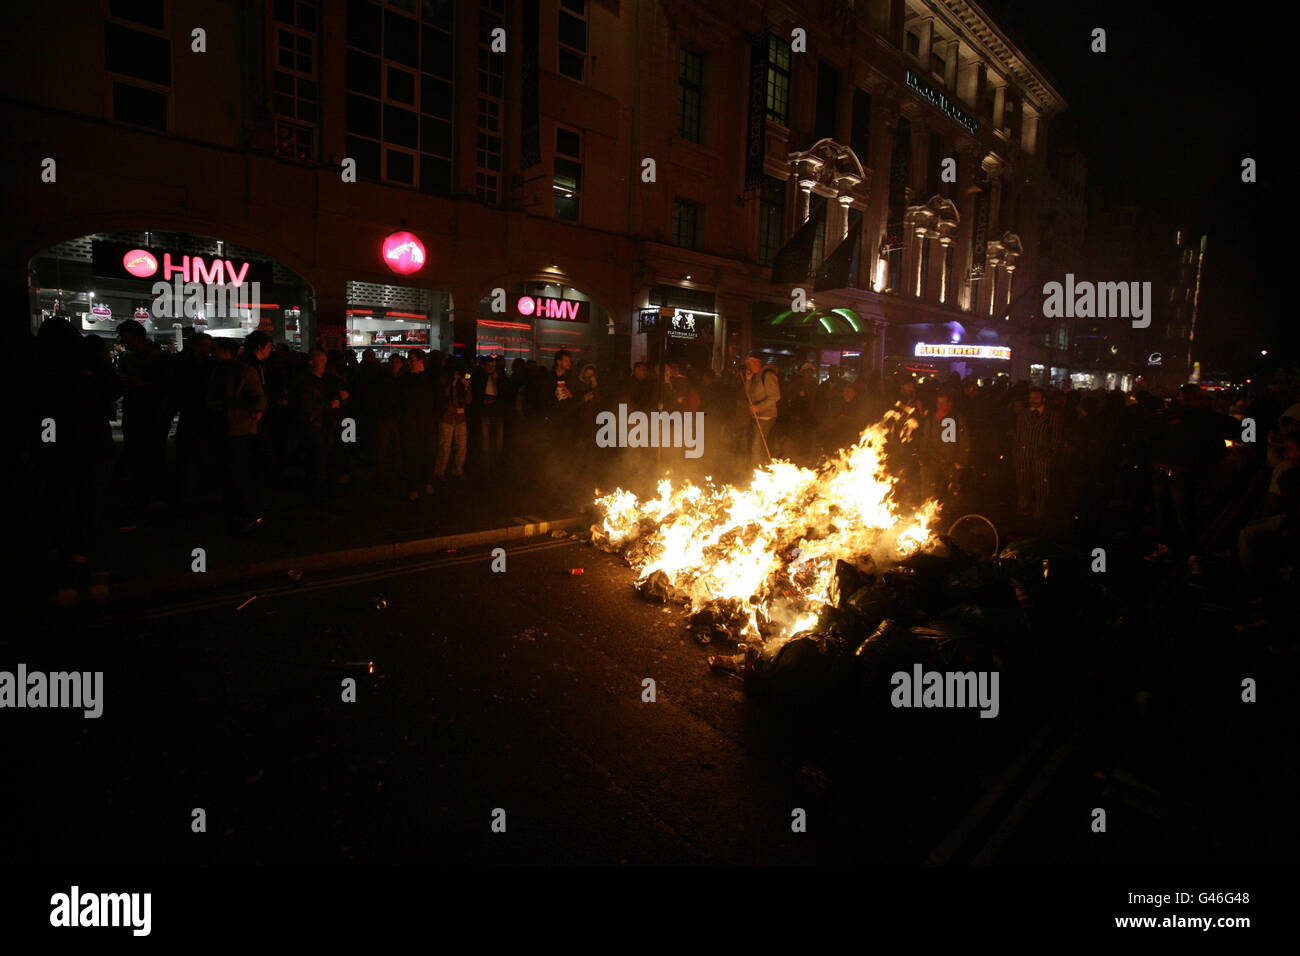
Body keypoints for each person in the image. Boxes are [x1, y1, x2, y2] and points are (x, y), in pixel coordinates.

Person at [116, 319, 173, 511]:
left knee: (153, 453)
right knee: (138, 453)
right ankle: (145, 493)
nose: (123, 341)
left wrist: (142, 384)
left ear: (137, 337)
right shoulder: (128, 358)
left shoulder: (158, 358)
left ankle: (157, 494)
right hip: (134, 411)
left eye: (125, 337)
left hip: (153, 413)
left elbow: (168, 386)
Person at [223, 330, 271, 532]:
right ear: (260, 347)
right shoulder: (247, 368)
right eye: (268, 346)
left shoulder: (251, 366)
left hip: (241, 425)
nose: (270, 350)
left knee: (243, 468)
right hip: (244, 425)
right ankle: (247, 512)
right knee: (245, 469)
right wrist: (257, 409)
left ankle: (246, 509)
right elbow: (257, 397)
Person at [1014, 386, 1063, 524]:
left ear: (1043, 399)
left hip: (1042, 457)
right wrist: (1017, 454)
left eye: (1036, 398)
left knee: (1041, 486)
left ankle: (1039, 513)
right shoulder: (1023, 415)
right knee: (1023, 484)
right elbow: (1018, 435)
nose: (1033, 401)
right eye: (1031, 398)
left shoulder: (1052, 415)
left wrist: (1049, 453)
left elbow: (1055, 437)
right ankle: (1023, 510)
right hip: (1024, 457)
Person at [399, 350, 437, 498]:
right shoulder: (406, 379)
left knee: (427, 453)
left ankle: (425, 481)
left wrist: (433, 417)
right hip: (411, 423)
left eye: (412, 360)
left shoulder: (429, 379)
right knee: (412, 454)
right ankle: (413, 485)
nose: (409, 363)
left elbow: (438, 399)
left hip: (425, 422)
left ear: (421, 361)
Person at [742, 353, 780, 471]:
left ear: (757, 362)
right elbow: (748, 395)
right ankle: (758, 468)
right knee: (756, 445)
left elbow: (775, 396)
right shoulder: (755, 376)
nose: (748, 366)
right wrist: (748, 380)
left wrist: (759, 407)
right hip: (757, 417)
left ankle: (758, 471)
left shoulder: (767, 374)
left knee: (756, 446)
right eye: (747, 364)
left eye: (750, 363)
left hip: (766, 416)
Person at [434, 360, 471, 479]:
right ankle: (440, 472)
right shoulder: (445, 382)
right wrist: (453, 384)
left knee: (461, 446)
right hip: (447, 418)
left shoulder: (463, 383)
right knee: (445, 446)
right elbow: (445, 398)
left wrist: (466, 387)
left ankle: (457, 469)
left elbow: (469, 400)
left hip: (460, 418)